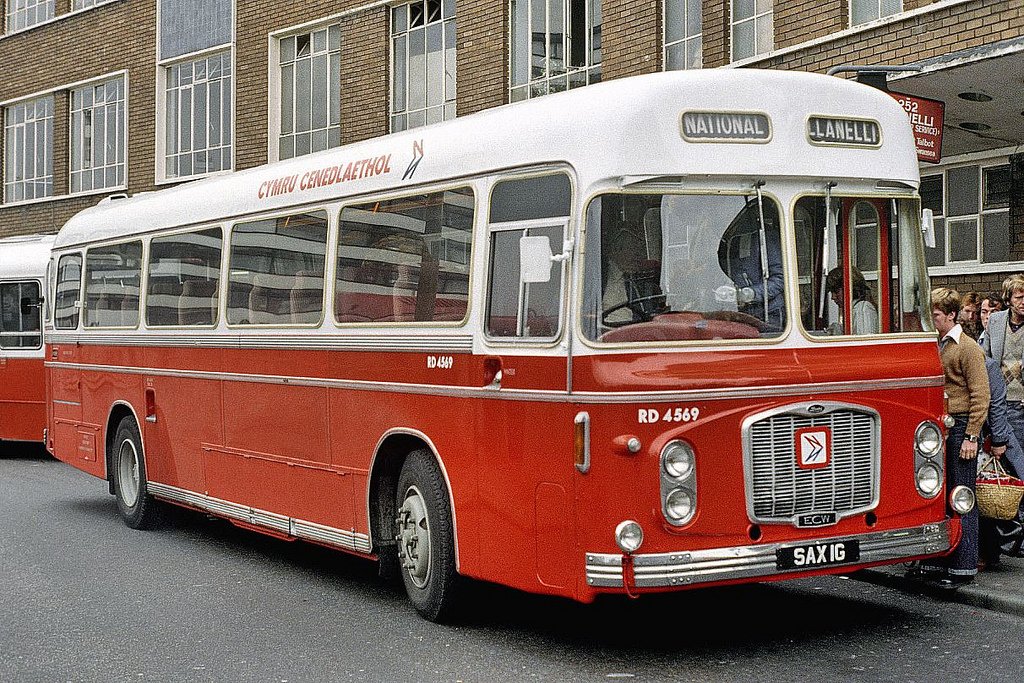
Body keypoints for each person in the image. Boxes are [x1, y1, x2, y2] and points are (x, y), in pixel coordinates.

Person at [918, 288, 989, 586]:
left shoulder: (967, 348)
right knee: (938, 494)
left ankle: (963, 565)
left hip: (961, 427)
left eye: (935, 315)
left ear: (950, 315)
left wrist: (972, 435)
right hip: (941, 427)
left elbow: (981, 395)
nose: (931, 320)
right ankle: (939, 562)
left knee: (962, 496)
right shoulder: (938, 344)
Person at [717, 201, 784, 330]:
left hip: (768, 313)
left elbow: (780, 279)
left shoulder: (764, 235)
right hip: (739, 313)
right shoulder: (726, 241)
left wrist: (750, 294)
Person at [981, 274, 1024, 452]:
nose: (1023, 302)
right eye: (1020, 298)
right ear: (1008, 299)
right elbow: (986, 360)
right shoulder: (996, 321)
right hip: (1001, 402)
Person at [824, 266, 879, 335]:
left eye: (836, 291)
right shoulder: (853, 310)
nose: (833, 297)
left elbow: (863, 342)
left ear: (850, 288)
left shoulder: (862, 310)